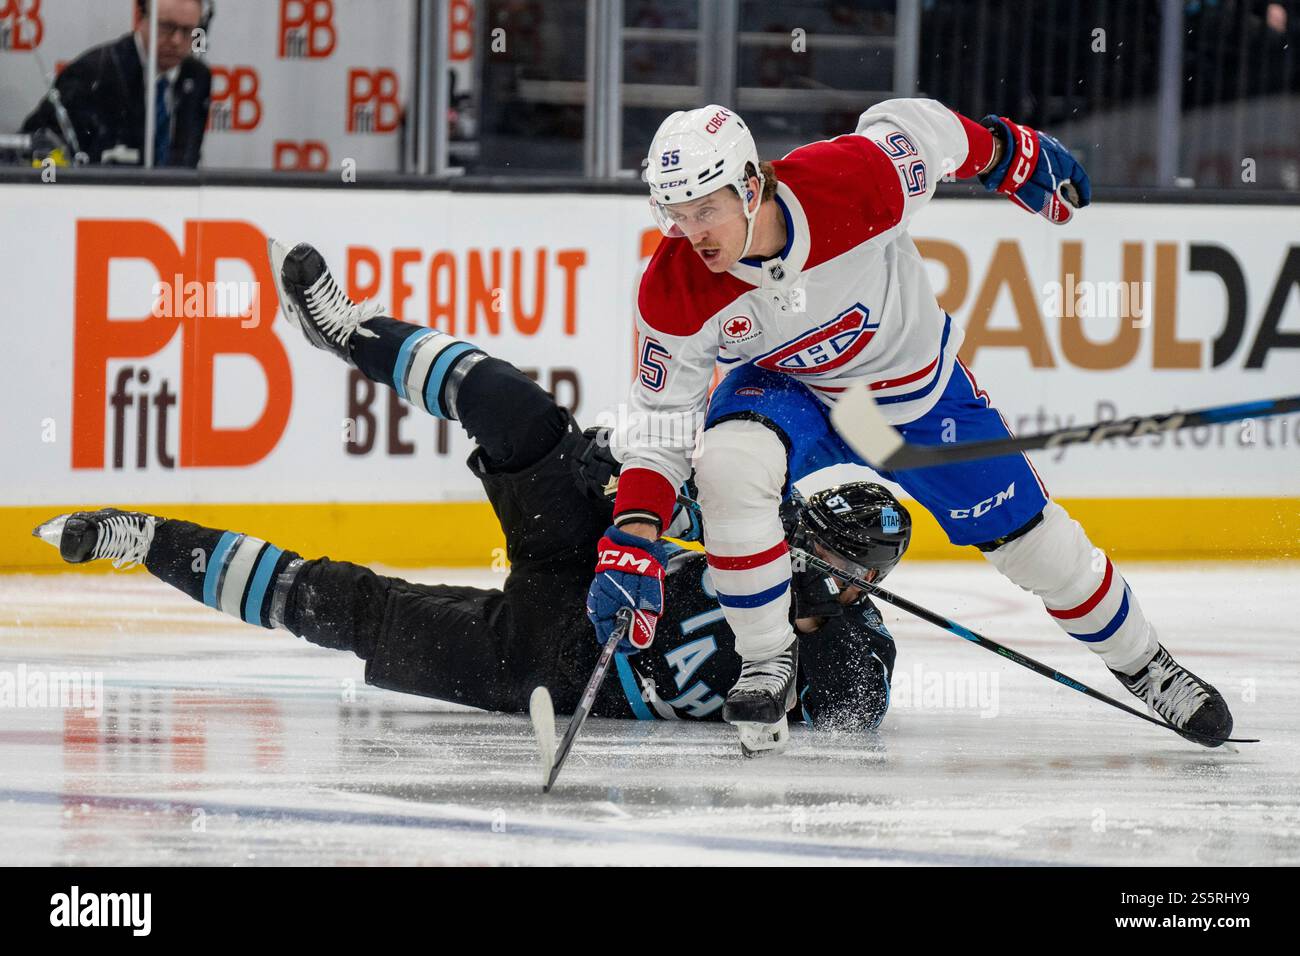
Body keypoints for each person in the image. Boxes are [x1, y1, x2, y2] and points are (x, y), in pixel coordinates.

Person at [34, 241, 907, 748]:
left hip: (557, 667)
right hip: (597, 559)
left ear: (856, 582)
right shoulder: (761, 504)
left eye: (816, 551)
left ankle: (142, 540)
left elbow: (848, 709)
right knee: (524, 419)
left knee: (346, 606)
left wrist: (806, 624)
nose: (785, 546)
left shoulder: (856, 651)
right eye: (796, 530)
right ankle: (348, 332)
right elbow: (678, 483)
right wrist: (624, 483)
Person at [587, 99, 1234, 753]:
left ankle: (1148, 665)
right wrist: (635, 529)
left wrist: (1005, 152)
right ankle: (765, 663)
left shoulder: (853, 181)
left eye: (705, 208)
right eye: (675, 212)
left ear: (752, 186)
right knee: (727, 464)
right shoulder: (672, 289)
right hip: (794, 393)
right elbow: (665, 424)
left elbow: (923, 129)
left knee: (1041, 548)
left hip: (909, 396)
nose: (691, 231)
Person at [20, 0, 211, 167]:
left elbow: (187, 159)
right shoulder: (94, 72)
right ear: (140, 18)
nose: (177, 40)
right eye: (167, 27)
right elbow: (35, 142)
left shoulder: (197, 77)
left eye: (188, 31)